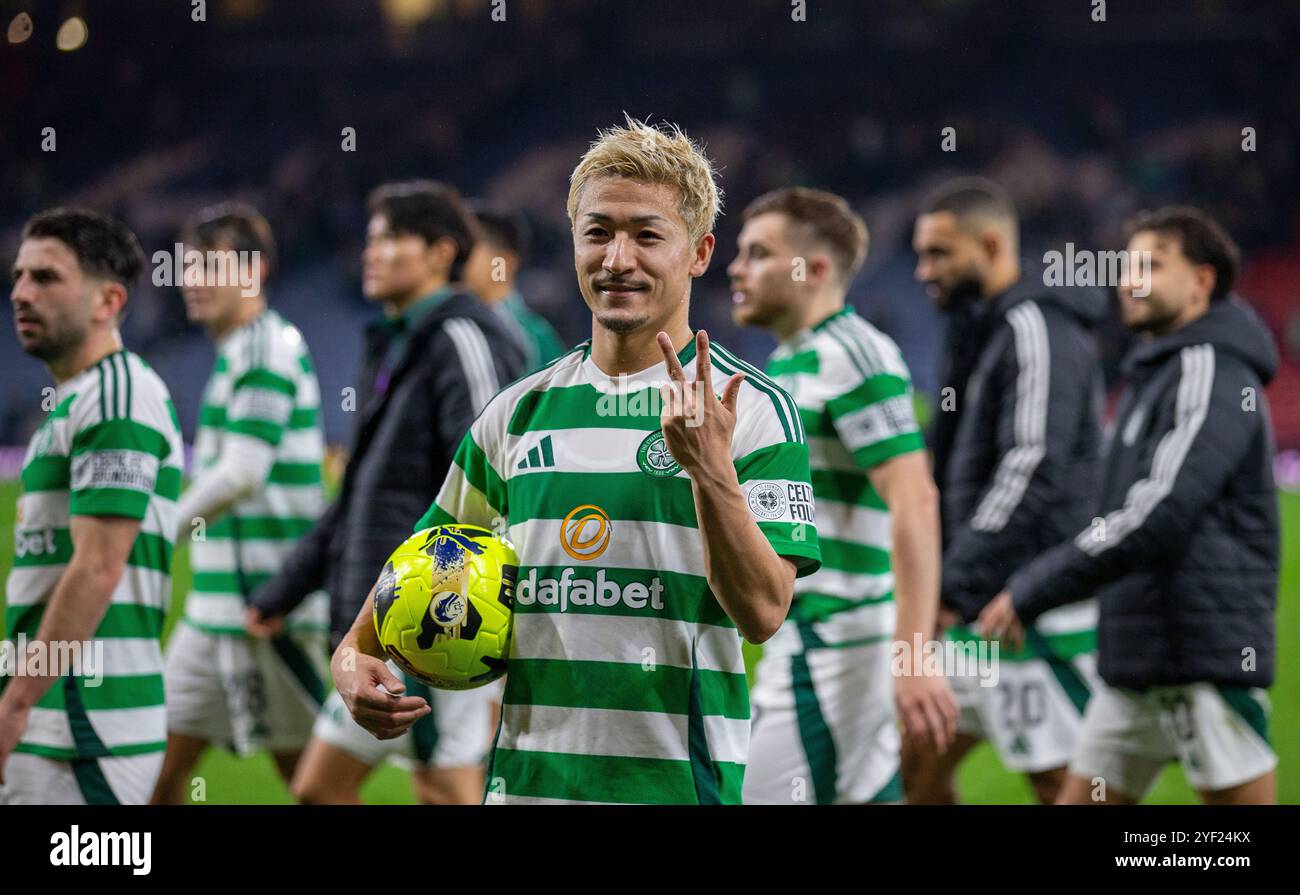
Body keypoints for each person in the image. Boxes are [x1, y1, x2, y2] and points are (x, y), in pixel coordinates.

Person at [330, 116, 822, 804]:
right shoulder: (517, 412)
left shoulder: (754, 410)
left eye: (648, 235)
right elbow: (415, 563)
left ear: (701, 252)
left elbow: (763, 610)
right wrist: (353, 660)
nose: (617, 258)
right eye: (598, 232)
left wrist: (711, 470)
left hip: (678, 790)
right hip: (526, 788)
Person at [979, 207, 1279, 805]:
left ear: (1202, 281)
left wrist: (1035, 585)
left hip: (1202, 656)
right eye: (1128, 266)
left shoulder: (1209, 369)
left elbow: (1158, 512)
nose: (1129, 280)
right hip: (1138, 659)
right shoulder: (1157, 372)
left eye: (1152, 266)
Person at [247, 181, 524, 804]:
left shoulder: (461, 338)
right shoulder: (395, 344)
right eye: (371, 239)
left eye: (391, 238)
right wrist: (284, 591)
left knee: (445, 788)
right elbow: (358, 499)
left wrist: (449, 603)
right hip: (385, 611)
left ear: (440, 252)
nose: (371, 253)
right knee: (321, 788)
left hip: (437, 613)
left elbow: (491, 479)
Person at [728, 187, 955, 804]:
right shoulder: (784, 364)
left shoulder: (854, 356)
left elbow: (915, 500)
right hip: (812, 637)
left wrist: (912, 653)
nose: (735, 268)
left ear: (815, 269)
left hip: (839, 640)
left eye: (757, 254)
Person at [905, 178, 1106, 804]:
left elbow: (1031, 467)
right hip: (977, 602)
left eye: (939, 253)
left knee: (1061, 784)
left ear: (991, 246)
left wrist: (952, 585)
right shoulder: (981, 331)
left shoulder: (1034, 327)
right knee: (912, 764)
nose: (922, 271)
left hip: (1031, 607)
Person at [0, 208, 183, 804]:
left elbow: (98, 566)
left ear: (108, 301)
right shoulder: (80, 397)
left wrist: (18, 700)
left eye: (46, 278)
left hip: (84, 722)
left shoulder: (117, 396)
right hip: (56, 714)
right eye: (19, 275)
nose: (21, 293)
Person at [151, 203, 329, 804]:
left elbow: (241, 474)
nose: (191, 280)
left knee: (315, 786)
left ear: (254, 272)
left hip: (265, 612)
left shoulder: (264, 351)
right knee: (153, 771)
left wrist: (155, 531)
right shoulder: (240, 353)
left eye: (208, 265)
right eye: (185, 266)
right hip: (217, 613)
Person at [463, 202, 566, 372]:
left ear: (503, 264)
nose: (457, 260)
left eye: (468, 250)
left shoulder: (531, 336)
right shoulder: (463, 321)